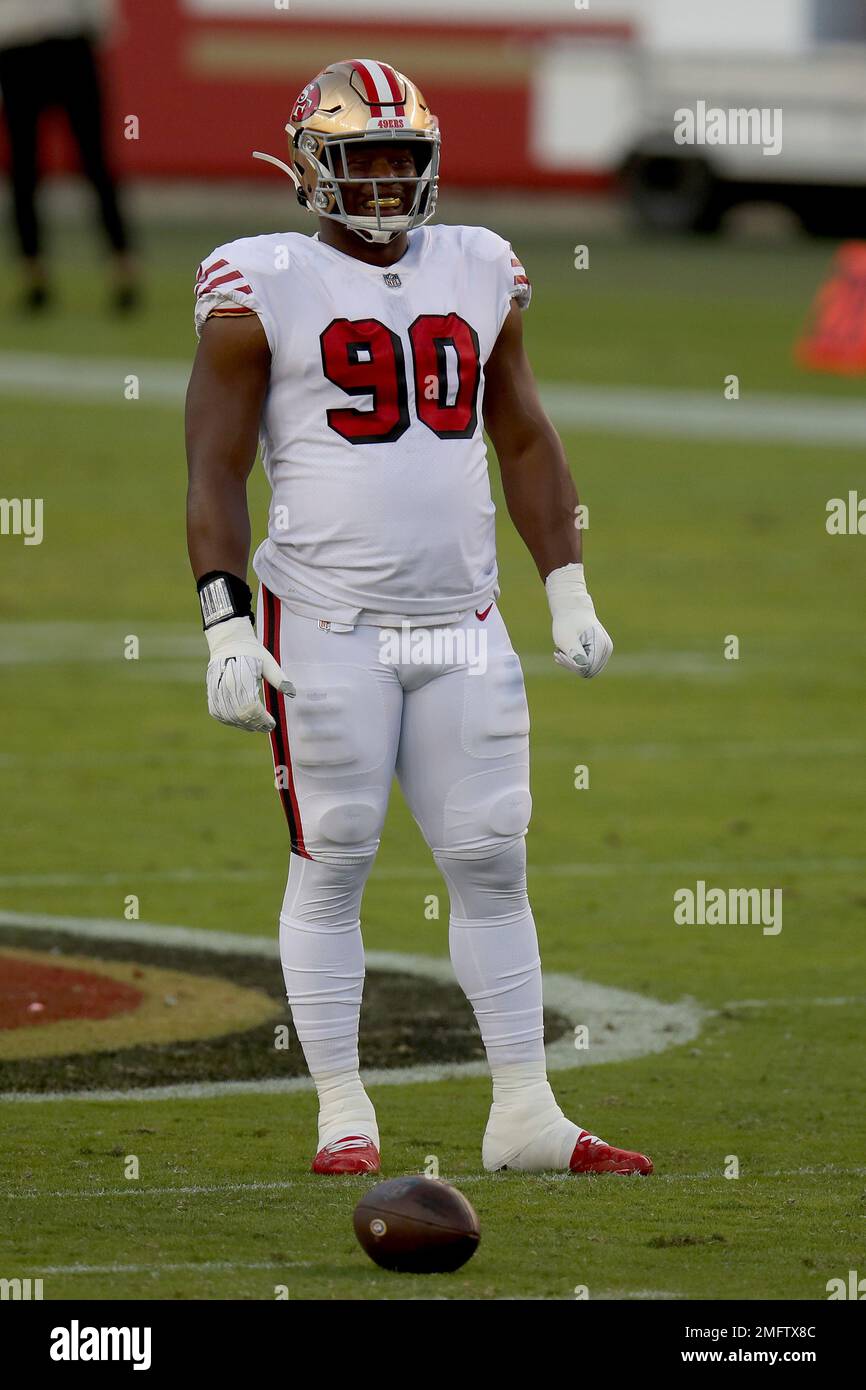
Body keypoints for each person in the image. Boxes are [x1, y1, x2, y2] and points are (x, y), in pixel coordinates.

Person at [185, 59, 652, 1178]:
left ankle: (525, 1115)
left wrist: (567, 583)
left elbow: (525, 436)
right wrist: (224, 621)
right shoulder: (260, 281)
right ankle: (343, 1112)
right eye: (364, 161)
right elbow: (214, 464)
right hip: (327, 619)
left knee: (492, 853)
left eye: (404, 161)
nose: (388, 185)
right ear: (310, 165)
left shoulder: (482, 262)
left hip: (460, 619)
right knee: (335, 852)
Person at [0, 0, 136, 310]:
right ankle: (35, 273)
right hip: (27, 48)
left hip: (59, 45)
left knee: (92, 164)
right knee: (26, 170)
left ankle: (121, 267)